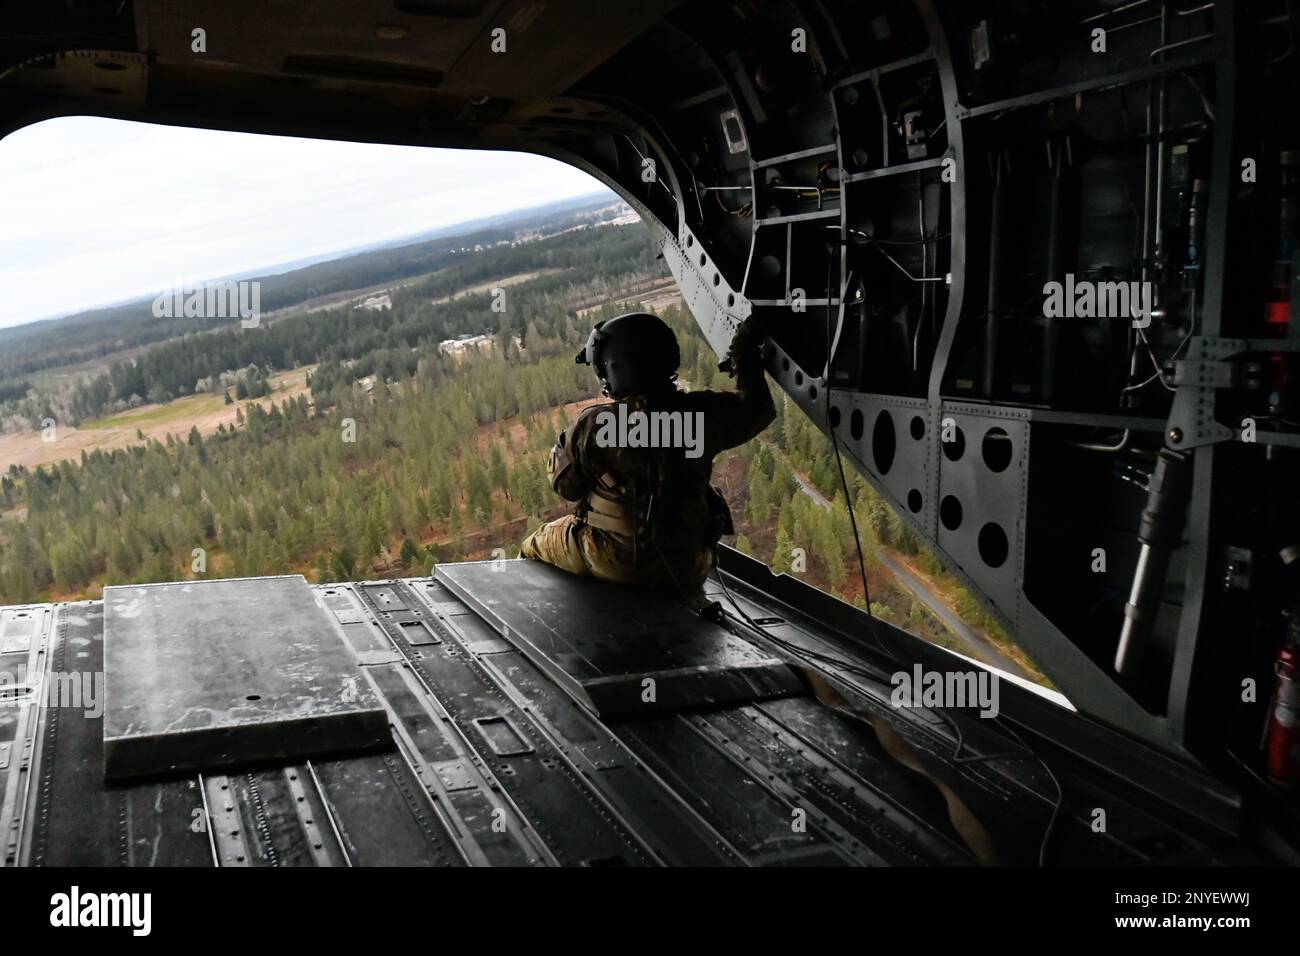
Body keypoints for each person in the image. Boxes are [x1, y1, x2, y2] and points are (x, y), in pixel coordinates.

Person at [520, 311, 774, 607]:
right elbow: (759, 407)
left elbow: (566, 487)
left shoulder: (594, 426)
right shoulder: (705, 414)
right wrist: (744, 352)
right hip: (690, 566)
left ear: (615, 369)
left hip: (615, 560)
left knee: (534, 543)